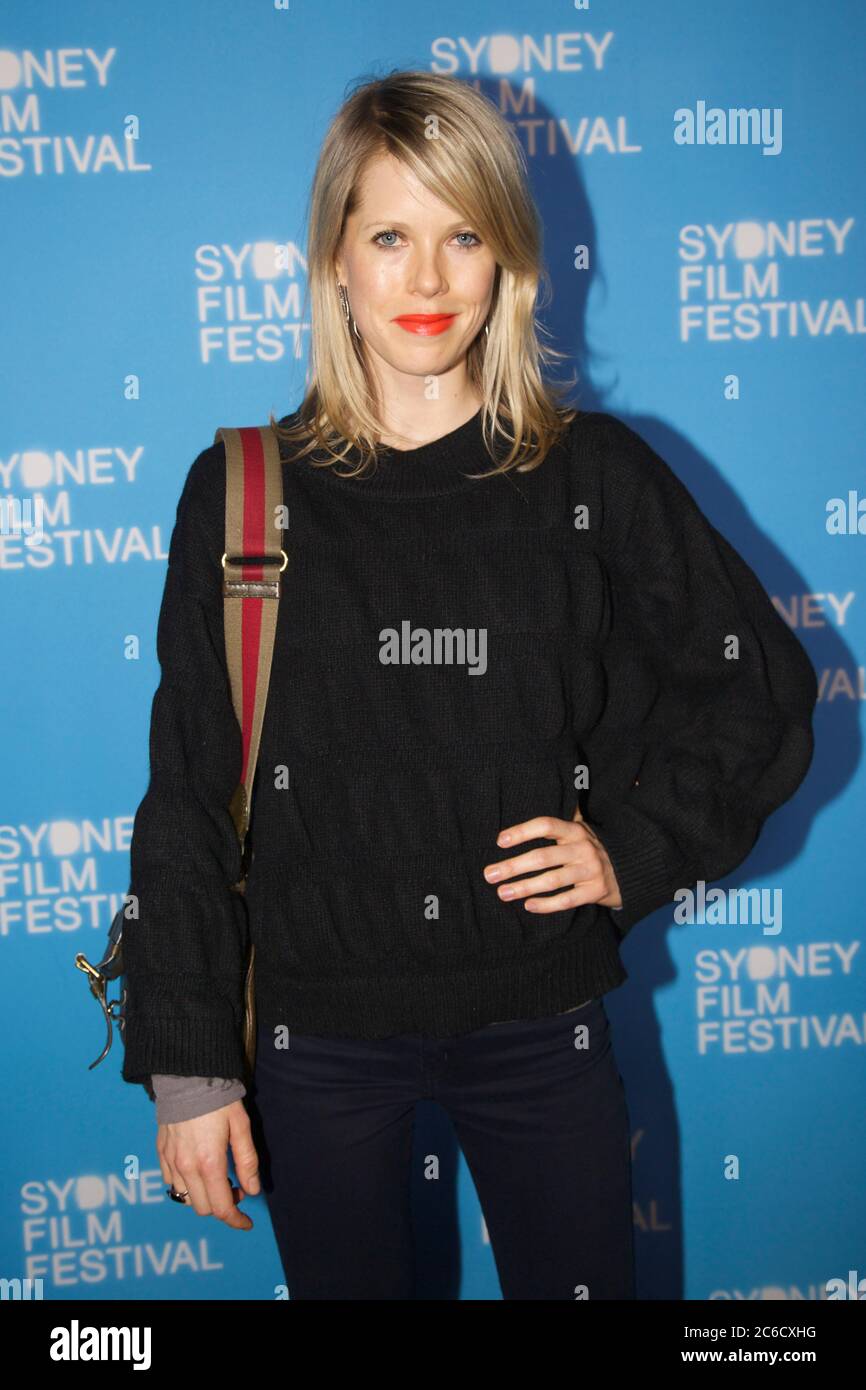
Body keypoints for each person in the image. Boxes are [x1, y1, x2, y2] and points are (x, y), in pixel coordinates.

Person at [120, 70, 817, 1300]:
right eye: (390, 236)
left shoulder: (587, 474)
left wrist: (631, 848)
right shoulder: (238, 497)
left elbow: (755, 687)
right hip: (313, 1045)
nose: (428, 281)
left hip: (537, 1029)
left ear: (508, 261)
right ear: (334, 256)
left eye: (463, 237)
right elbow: (186, 789)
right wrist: (189, 1068)